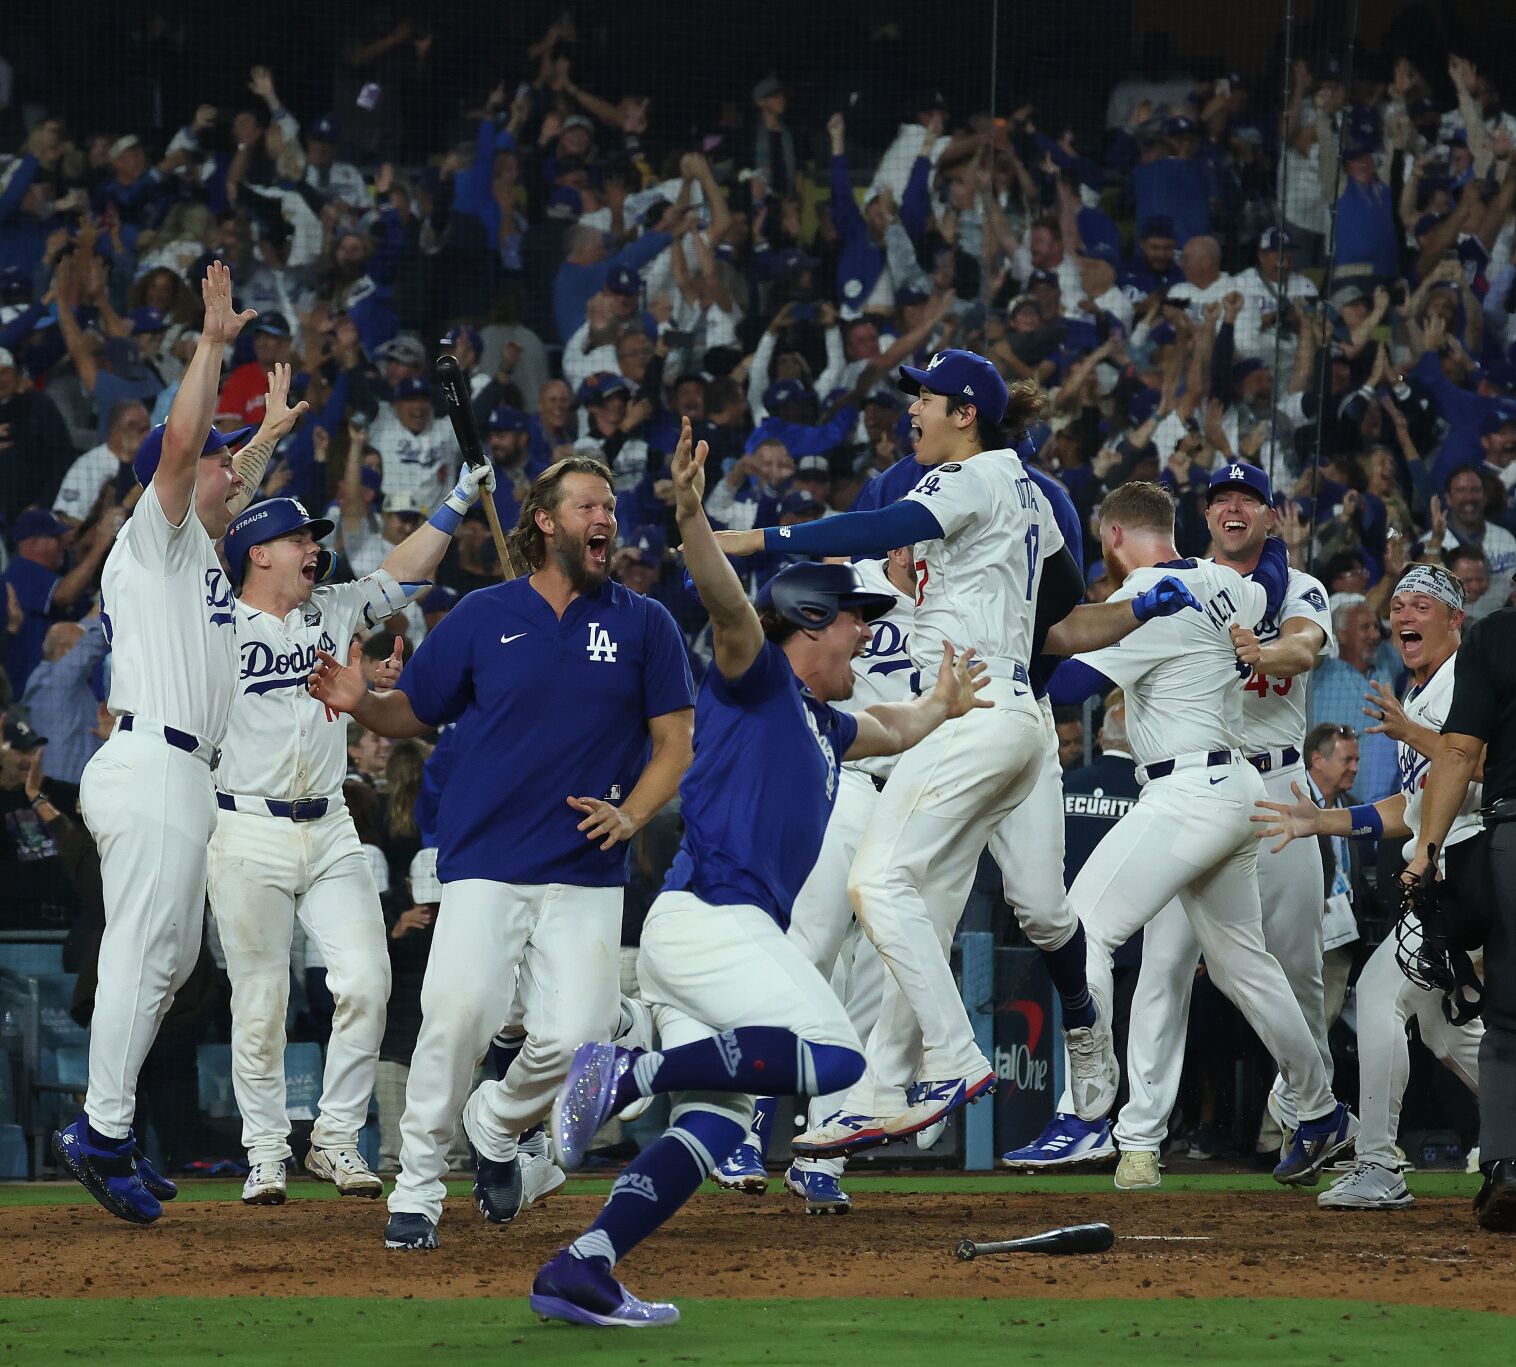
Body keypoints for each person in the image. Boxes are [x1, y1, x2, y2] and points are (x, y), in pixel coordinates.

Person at [527, 418, 990, 1327]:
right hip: (711, 920)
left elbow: (893, 730)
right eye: (860, 618)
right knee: (838, 1057)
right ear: (814, 622)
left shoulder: (824, 723)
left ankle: (583, 1263)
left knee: (721, 1124)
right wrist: (694, 520)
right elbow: (734, 608)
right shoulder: (759, 679)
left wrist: (939, 703)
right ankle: (630, 1072)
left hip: (709, 932)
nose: (868, 634)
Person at [714, 350, 1200, 1154]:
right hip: (1010, 721)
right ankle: (877, 1089)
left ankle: (954, 1058)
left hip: (978, 714)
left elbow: (877, 525)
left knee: (878, 883)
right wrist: (1138, 606)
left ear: (965, 412)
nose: (914, 410)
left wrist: (753, 536)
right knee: (926, 905)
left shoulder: (969, 476)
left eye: (926, 398)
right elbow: (1060, 622)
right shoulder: (1028, 499)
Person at [306, 455, 695, 1250]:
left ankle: (493, 1122)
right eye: (590, 505)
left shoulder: (644, 622)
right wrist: (362, 702)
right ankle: (415, 1188)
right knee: (454, 1018)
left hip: (587, 866)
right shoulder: (484, 615)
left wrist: (632, 813)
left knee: (577, 1036)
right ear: (546, 521)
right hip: (485, 859)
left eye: (612, 507)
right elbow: (412, 711)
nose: (608, 519)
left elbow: (674, 743)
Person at [52, 263, 310, 1224]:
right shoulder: (153, 533)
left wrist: (270, 438)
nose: (227, 468)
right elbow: (187, 454)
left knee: (164, 962)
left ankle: (111, 1124)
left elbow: (221, 475)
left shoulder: (199, 542)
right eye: (219, 458)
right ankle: (102, 1128)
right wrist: (210, 345)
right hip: (153, 759)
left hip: (180, 773)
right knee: (141, 951)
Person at [1047, 480, 1353, 1187]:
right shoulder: (1228, 585)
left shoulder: (1160, 595)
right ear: (1199, 518)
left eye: (1249, 500)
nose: (1234, 509)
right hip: (1234, 788)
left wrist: (1036, 650)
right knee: (1232, 965)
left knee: (1085, 927)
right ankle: (1312, 1110)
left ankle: (1086, 1114)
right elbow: (1263, 579)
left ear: (1113, 536)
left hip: (1214, 789)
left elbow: (1068, 689)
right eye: (1223, 498)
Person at [212, 461, 489, 1206]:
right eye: (299, 537)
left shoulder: (332, 609)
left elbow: (402, 574)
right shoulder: (213, 623)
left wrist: (459, 497)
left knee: (368, 981)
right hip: (243, 823)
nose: (314, 547)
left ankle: (334, 1137)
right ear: (257, 552)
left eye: (314, 537)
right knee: (261, 999)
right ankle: (266, 1148)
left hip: (329, 821)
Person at [1255, 563, 1484, 1210]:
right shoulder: (1422, 693)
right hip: (1441, 868)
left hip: (1467, 868)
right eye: (1399, 606)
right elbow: (1411, 805)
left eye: (1422, 606)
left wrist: (1414, 734)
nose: (1404, 616)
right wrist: (1322, 818)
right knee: (1445, 1031)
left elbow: (1489, 762)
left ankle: (1380, 1163)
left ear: (1454, 619)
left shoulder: (1471, 678)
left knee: (1381, 991)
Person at [711, 544, 916, 1211]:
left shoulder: (971, 602)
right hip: (846, 777)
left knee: (876, 979)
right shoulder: (844, 596)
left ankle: (824, 1144)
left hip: (914, 795)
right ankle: (745, 1127)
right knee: (806, 953)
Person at [1404, 579, 1516, 1231]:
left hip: (1512, 836)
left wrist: (1427, 850)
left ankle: (1506, 1164)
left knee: (1507, 1021)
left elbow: (1458, 748)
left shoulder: (1495, 636)